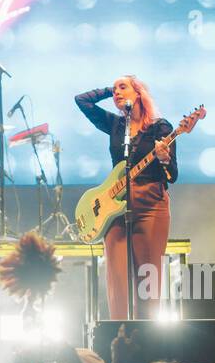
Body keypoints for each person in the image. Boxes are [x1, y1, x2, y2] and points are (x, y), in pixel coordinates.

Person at [75, 76, 177, 319]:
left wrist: (164, 158)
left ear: (139, 93)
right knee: (117, 279)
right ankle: (119, 340)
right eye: (114, 90)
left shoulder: (160, 127)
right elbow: (82, 101)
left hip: (150, 203)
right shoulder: (115, 125)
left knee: (147, 279)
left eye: (123, 87)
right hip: (115, 206)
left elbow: (172, 175)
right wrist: (109, 90)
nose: (116, 93)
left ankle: (148, 339)